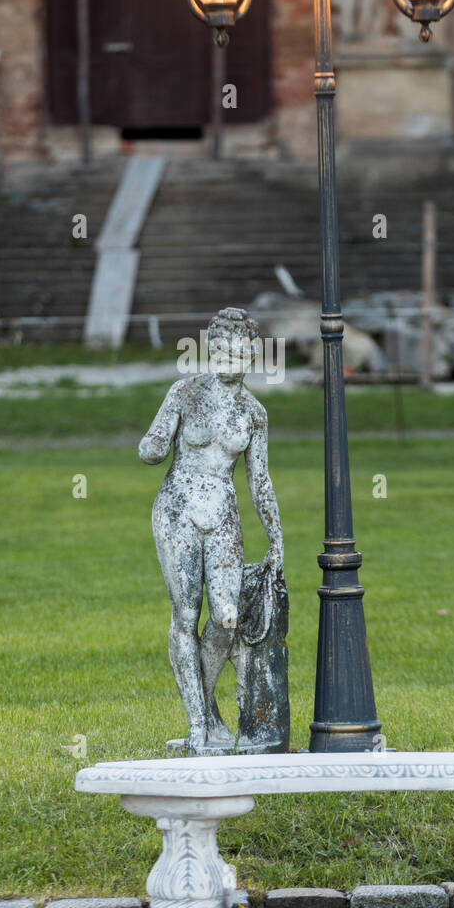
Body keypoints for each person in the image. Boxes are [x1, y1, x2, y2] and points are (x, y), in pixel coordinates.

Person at [139, 307, 283, 751]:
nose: (226, 356)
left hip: (222, 513)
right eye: (218, 348)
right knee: (185, 615)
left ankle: (208, 713)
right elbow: (153, 444)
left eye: (236, 350)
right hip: (178, 509)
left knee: (225, 617)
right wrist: (153, 445)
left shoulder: (254, 414)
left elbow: (259, 479)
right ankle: (200, 724)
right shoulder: (185, 393)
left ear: (251, 357)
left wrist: (276, 536)